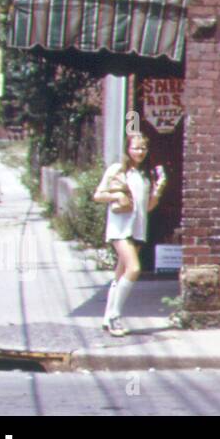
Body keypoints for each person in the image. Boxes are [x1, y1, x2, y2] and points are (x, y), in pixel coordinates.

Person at [92, 133, 166, 336]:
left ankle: (107, 319)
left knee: (120, 274)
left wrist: (159, 188)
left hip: (138, 229)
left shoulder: (145, 174)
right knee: (134, 268)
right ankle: (115, 316)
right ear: (127, 149)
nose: (140, 152)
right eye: (135, 148)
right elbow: (98, 195)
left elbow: (148, 206)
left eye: (143, 148)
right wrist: (116, 195)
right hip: (120, 229)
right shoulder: (118, 169)